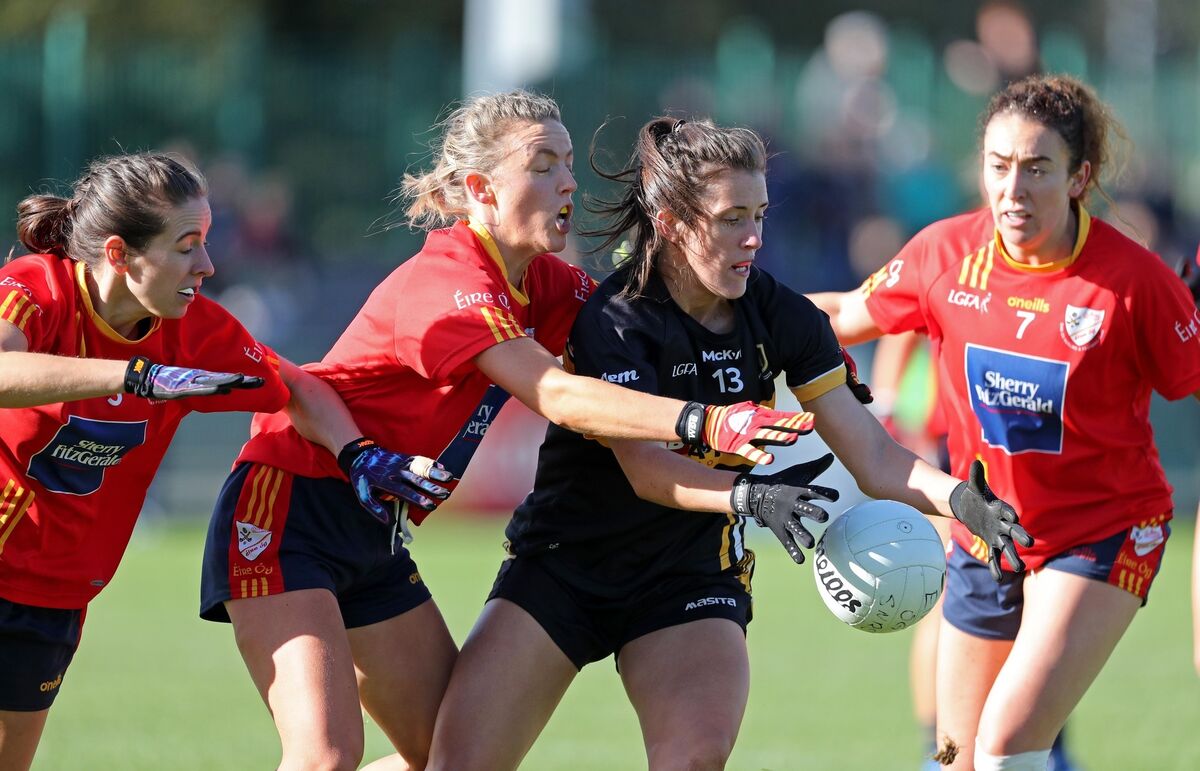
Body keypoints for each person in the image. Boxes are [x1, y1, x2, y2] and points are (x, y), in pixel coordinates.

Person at [197, 91, 821, 771]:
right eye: (544, 164)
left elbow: (662, 322)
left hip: (373, 531)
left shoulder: (543, 283)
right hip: (290, 504)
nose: (569, 181)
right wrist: (706, 420)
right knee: (325, 753)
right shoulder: (450, 280)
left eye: (570, 162)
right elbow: (556, 393)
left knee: (453, 755)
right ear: (479, 189)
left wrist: (818, 334)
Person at [424, 116, 1032, 771]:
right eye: (730, 218)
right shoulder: (617, 319)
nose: (753, 239)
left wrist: (961, 500)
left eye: (761, 215)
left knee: (695, 757)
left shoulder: (781, 316)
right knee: (452, 762)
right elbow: (647, 471)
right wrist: (748, 495)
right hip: (564, 565)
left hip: (687, 576)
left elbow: (875, 456)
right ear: (672, 222)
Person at [811, 74, 1200, 770]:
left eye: (1036, 168)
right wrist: (725, 308)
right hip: (986, 534)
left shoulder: (1134, 282)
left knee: (1006, 746)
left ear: (1079, 176)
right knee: (955, 758)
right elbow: (842, 315)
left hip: (1105, 533)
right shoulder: (945, 252)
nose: (1012, 190)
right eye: (998, 166)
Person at [0, 152, 415, 771]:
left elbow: (297, 387)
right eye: (187, 245)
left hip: (56, 596)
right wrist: (137, 377)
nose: (208, 264)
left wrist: (358, 456)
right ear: (118, 254)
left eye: (207, 242)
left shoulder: (198, 331)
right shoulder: (35, 289)